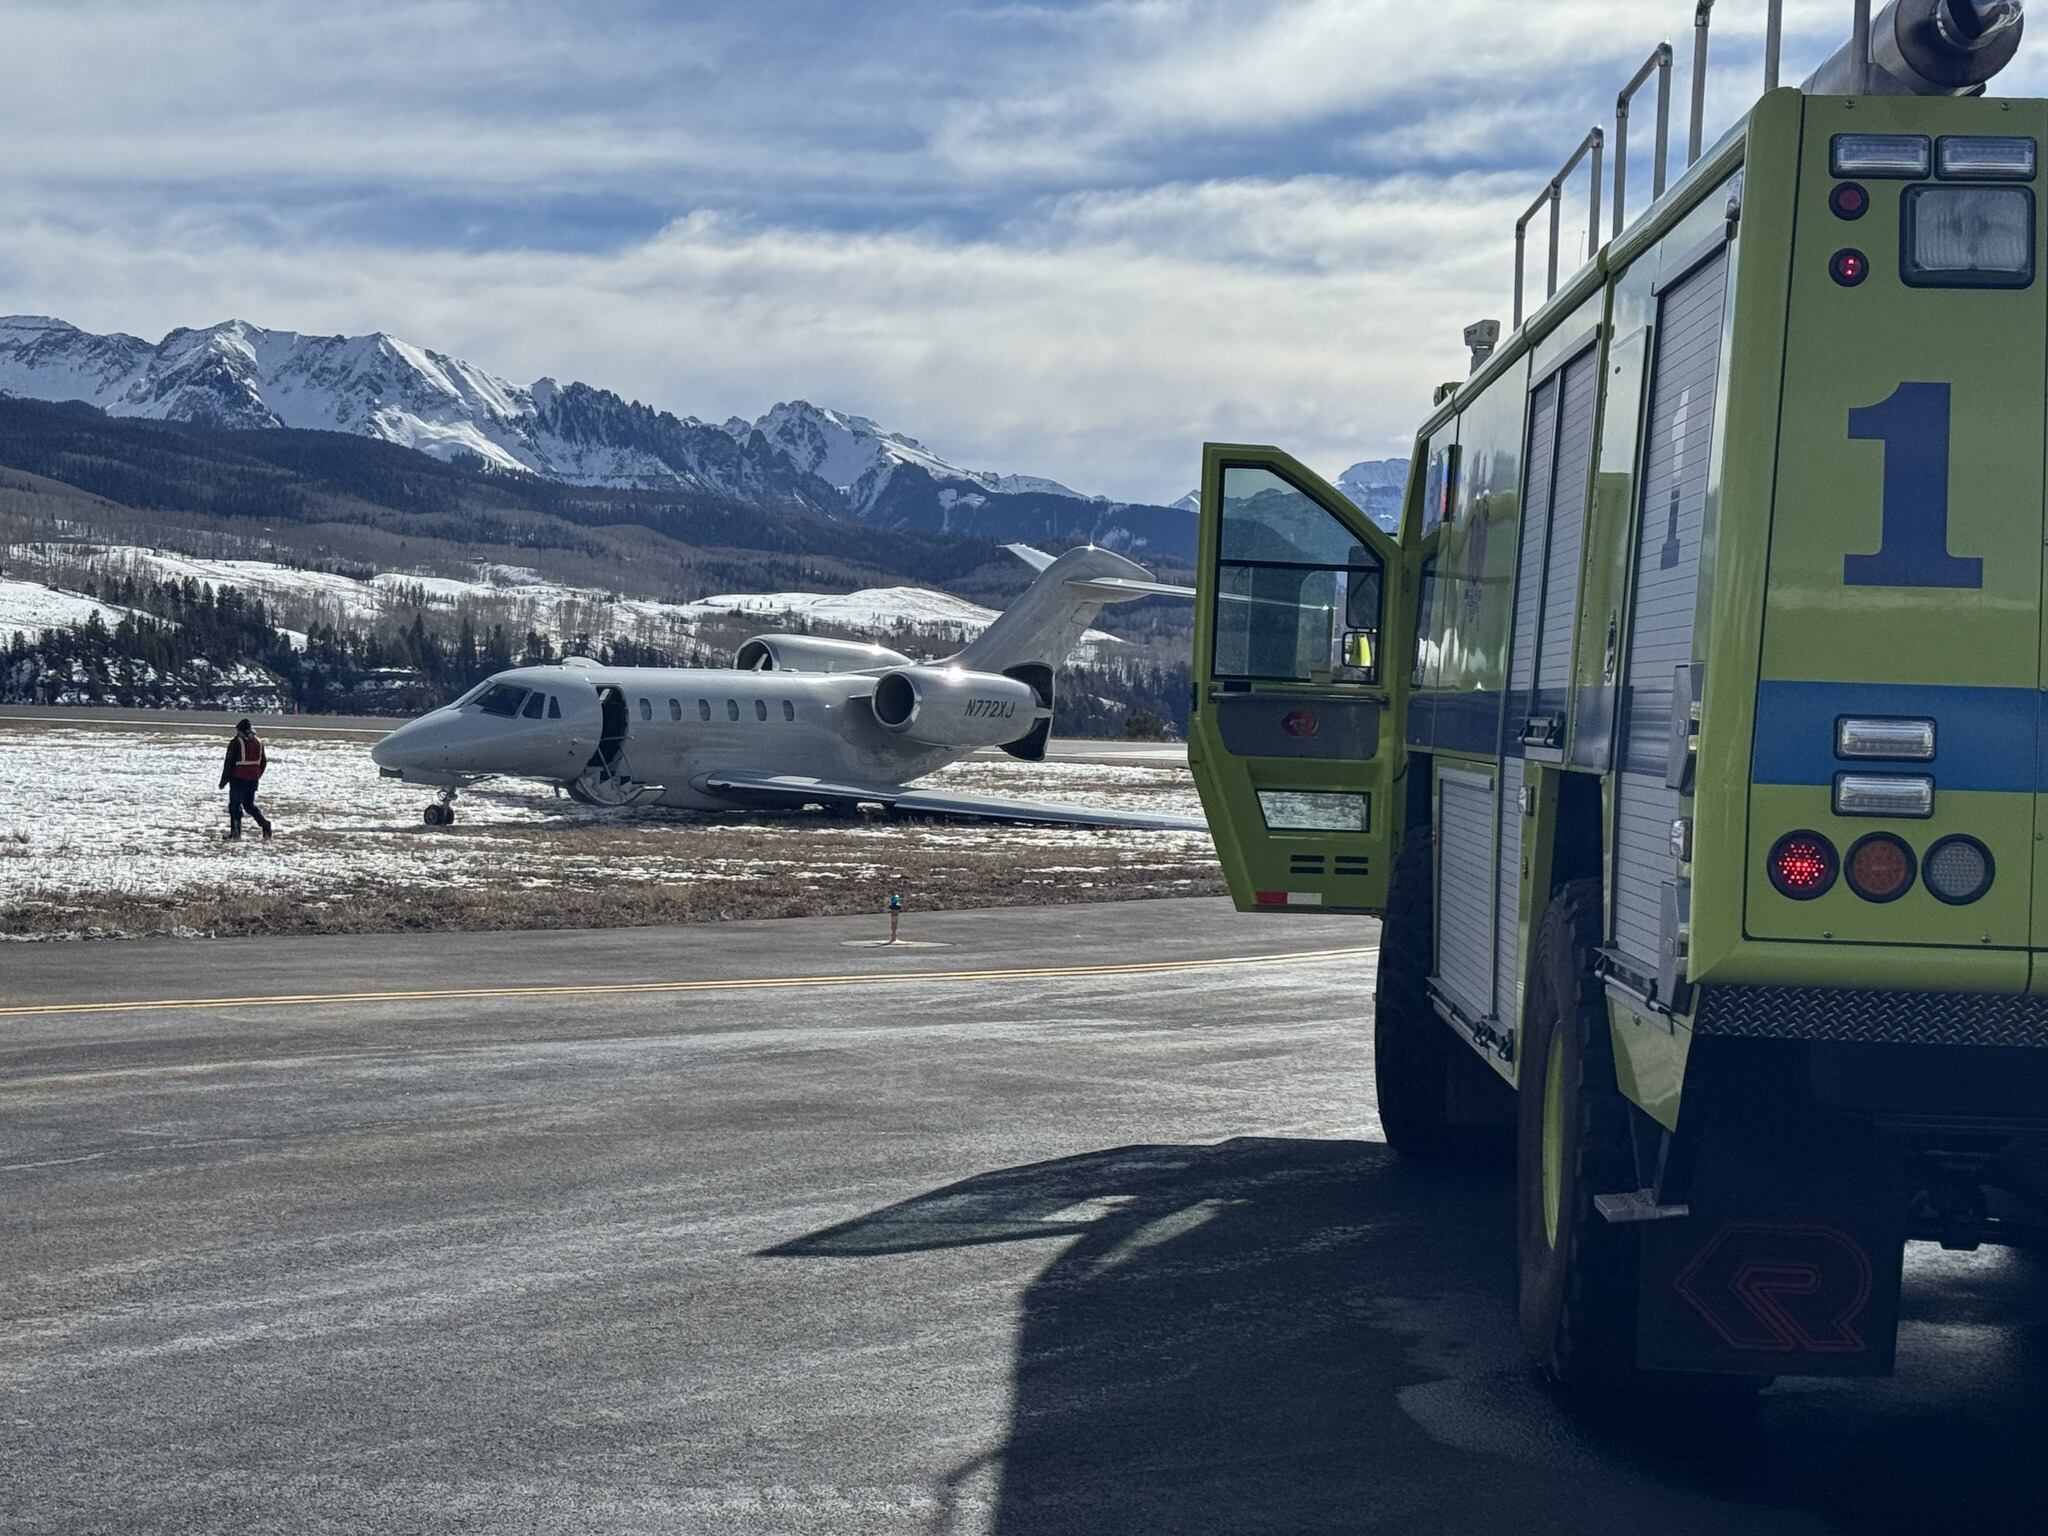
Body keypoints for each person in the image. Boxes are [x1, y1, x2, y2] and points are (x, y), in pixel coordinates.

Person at [219, 718, 272, 841]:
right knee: (249, 805)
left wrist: (224, 781)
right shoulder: (259, 742)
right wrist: (257, 775)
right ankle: (265, 825)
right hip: (253, 779)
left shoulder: (236, 742)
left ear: (240, 731)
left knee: (235, 806)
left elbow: (229, 763)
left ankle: (235, 833)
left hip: (238, 779)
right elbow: (263, 762)